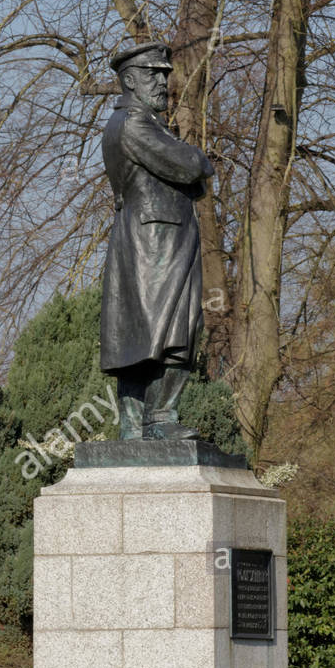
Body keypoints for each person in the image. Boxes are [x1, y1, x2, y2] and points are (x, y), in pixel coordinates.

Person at [99, 41, 214, 439]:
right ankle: (160, 420)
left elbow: (190, 179)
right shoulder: (135, 124)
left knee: (141, 336)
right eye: (153, 74)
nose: (164, 82)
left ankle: (134, 429)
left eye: (165, 74)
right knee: (170, 332)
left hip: (150, 238)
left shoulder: (136, 123)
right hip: (157, 243)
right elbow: (190, 167)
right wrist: (196, 159)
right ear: (129, 80)